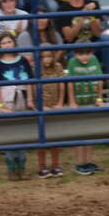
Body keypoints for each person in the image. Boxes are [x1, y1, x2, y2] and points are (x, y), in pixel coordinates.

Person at [0, 32, 34, 179]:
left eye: (9, 42)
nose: (7, 45)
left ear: (14, 43)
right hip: (6, 99)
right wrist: (0, 104)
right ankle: (11, 168)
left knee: (21, 133)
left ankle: (22, 167)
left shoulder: (23, 61)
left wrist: (30, 100)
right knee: (9, 133)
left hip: (22, 97)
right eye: (3, 43)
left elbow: (30, 82)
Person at [56, 0, 109, 81]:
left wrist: (91, 15)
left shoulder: (93, 4)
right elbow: (69, 37)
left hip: (93, 46)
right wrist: (82, 15)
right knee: (71, 57)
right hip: (76, 49)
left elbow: (97, 33)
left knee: (106, 38)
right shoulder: (62, 10)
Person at [65, 38, 106, 175]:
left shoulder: (94, 60)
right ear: (75, 54)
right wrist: (72, 101)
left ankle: (88, 161)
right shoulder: (72, 62)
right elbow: (70, 82)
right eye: (81, 54)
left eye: (87, 53)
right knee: (79, 134)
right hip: (78, 101)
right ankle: (79, 163)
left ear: (92, 52)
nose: (85, 57)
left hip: (91, 100)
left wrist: (100, 98)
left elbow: (100, 79)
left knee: (90, 134)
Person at [36, 48, 67, 178]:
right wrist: (40, 105)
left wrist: (60, 103)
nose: (46, 59)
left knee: (55, 137)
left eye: (49, 56)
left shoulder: (58, 66)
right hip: (42, 106)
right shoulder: (36, 68)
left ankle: (55, 165)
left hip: (55, 105)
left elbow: (62, 84)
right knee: (41, 138)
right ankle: (42, 167)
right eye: (43, 57)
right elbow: (34, 86)